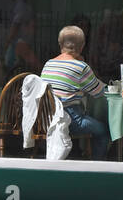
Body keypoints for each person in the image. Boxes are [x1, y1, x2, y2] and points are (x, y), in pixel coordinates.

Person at [39, 25, 109, 159]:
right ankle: (97, 167)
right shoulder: (80, 67)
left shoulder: (48, 63)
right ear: (82, 46)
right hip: (71, 120)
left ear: (60, 44)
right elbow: (98, 92)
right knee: (102, 130)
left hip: (47, 119)